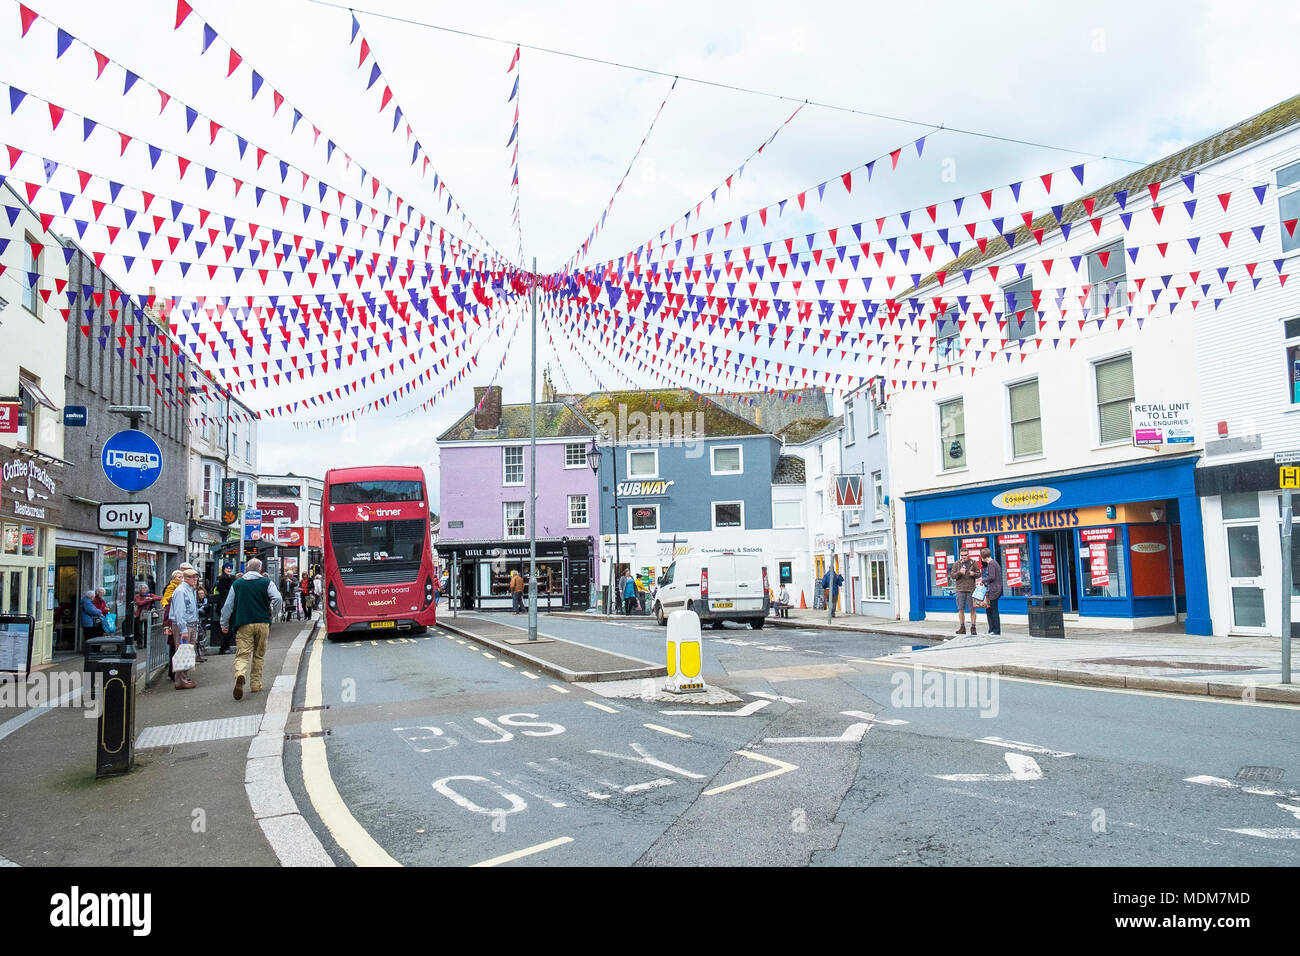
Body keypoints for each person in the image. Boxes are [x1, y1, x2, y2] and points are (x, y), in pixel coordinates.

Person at [221, 557, 284, 701]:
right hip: (262, 622)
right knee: (259, 654)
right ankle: (256, 684)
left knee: (243, 654)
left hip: (244, 623)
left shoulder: (237, 584)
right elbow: (278, 599)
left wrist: (224, 624)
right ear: (260, 569)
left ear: (247, 568)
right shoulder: (266, 582)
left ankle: (240, 674)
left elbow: (228, 606)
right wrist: (272, 614)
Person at [170, 567, 201, 688]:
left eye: (196, 577)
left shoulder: (190, 590)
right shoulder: (181, 591)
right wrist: (183, 629)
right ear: (185, 578)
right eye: (192, 577)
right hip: (184, 625)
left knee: (188, 651)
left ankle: (185, 677)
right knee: (182, 651)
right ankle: (180, 680)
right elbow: (179, 611)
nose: (195, 579)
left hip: (191, 624)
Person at [951, 550, 981, 635]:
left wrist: (974, 574)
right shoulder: (957, 564)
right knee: (960, 609)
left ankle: (973, 627)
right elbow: (952, 576)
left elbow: (979, 574)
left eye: (965, 555)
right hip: (960, 589)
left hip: (971, 589)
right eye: (962, 555)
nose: (963, 557)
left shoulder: (973, 562)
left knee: (972, 609)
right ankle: (962, 627)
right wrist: (959, 573)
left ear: (968, 555)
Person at [979, 547, 1004, 636]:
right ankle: (991, 629)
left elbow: (992, 577)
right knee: (989, 610)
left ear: (983, 557)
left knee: (993, 610)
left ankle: (996, 631)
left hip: (994, 590)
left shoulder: (991, 564)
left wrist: (983, 580)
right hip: (994, 589)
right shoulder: (994, 563)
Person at [212, 563, 236, 654]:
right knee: (226, 628)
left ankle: (225, 646)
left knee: (228, 628)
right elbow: (224, 592)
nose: (229, 570)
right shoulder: (222, 578)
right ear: (224, 569)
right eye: (227, 568)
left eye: (230, 568)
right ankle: (224, 647)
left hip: (227, 604)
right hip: (224, 605)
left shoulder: (231, 578)